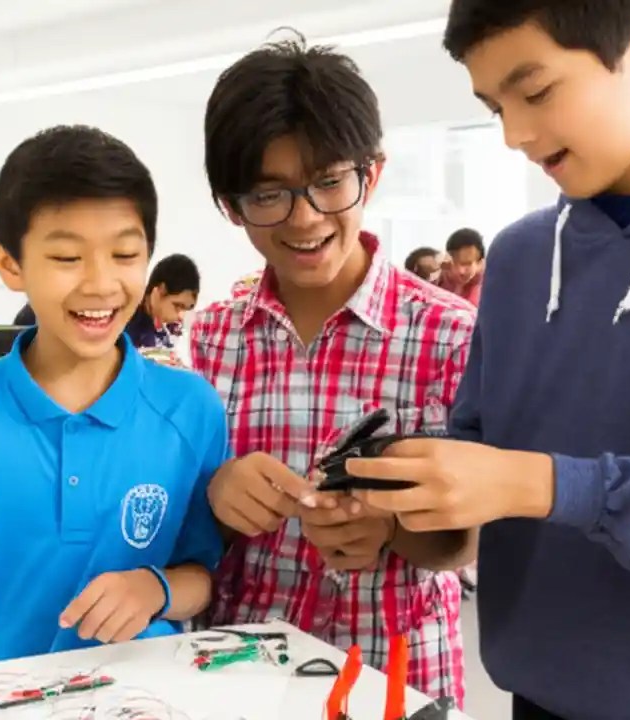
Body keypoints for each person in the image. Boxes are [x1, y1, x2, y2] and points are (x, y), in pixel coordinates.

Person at [349, 1, 630, 718]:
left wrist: (543, 484)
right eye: (494, 106)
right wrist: (400, 501)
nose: (515, 134)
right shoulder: (517, 257)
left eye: (537, 91)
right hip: (532, 687)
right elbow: (483, 468)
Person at [190, 35, 476, 706]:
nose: (306, 218)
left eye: (328, 183)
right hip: (239, 674)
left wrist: (393, 528)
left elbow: (478, 534)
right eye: (269, 196)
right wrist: (215, 499)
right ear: (231, 206)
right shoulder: (210, 340)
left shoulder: (450, 335)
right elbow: (176, 523)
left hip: (394, 674)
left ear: (370, 176)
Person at [0, 125, 227, 666]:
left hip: (139, 698)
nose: (101, 283)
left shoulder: (190, 409)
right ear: (10, 264)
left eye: (125, 254)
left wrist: (155, 589)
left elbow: (205, 574)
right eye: (67, 258)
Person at [13, 253, 200, 348]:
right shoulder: (124, 314)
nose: (181, 316)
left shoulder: (161, 330)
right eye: (178, 306)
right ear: (159, 292)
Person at [436, 228, 486, 305]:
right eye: (455, 263)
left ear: (480, 263)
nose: (461, 271)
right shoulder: (438, 279)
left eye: (467, 264)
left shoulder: (490, 289)